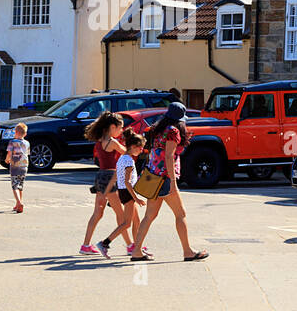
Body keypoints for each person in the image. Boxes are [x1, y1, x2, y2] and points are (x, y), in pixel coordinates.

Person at [131, 101, 207, 262]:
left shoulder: (158, 129)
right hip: (165, 178)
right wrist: (173, 181)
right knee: (181, 214)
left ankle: (136, 251)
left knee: (149, 216)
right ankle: (188, 251)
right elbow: (169, 156)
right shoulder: (172, 131)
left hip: (153, 176)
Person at [78, 111, 127, 255]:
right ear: (112, 127)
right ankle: (131, 245)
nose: (121, 130)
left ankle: (85, 245)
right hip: (110, 178)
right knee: (121, 215)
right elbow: (126, 153)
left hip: (100, 177)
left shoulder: (99, 140)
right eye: (120, 127)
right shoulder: (112, 142)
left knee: (98, 212)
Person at [97, 129, 146, 258]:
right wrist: (137, 198)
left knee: (137, 220)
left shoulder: (122, 158)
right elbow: (127, 182)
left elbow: (118, 178)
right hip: (128, 192)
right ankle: (105, 243)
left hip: (123, 191)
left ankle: (137, 246)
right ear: (134, 147)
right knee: (127, 223)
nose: (142, 151)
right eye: (140, 148)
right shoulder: (129, 161)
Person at [4, 122, 29, 213]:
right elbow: (27, 153)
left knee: (15, 185)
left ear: (15, 132)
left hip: (15, 165)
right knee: (20, 185)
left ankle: (19, 202)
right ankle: (18, 204)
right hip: (24, 166)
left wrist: (7, 160)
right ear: (25, 134)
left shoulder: (12, 142)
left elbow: (9, 153)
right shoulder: (27, 143)